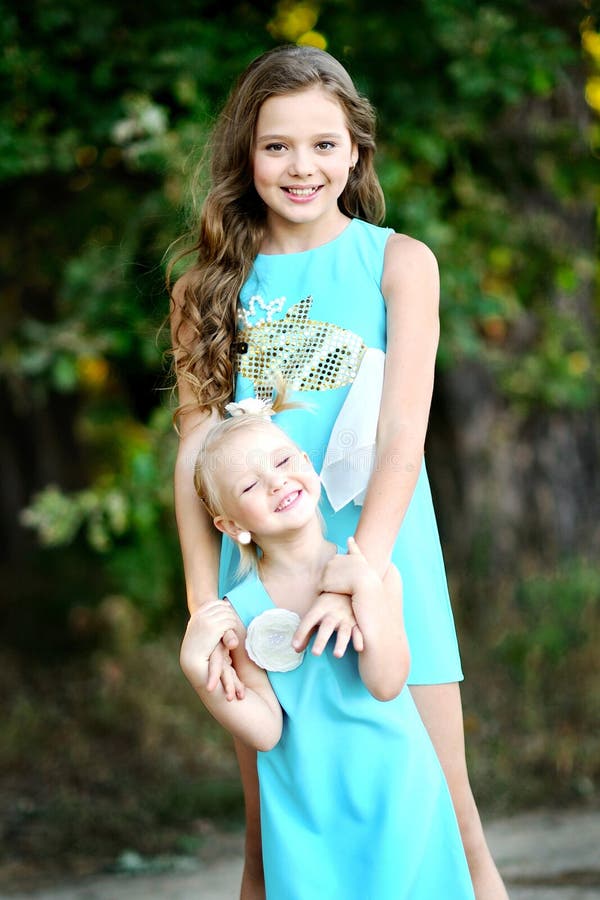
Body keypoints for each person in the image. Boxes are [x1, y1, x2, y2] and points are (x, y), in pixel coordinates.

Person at [168, 44, 508, 900]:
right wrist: (204, 602)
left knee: (454, 825)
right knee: (270, 844)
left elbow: (403, 431)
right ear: (247, 154)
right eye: (277, 144)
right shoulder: (209, 287)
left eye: (324, 144)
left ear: (356, 150)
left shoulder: (399, 262)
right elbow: (194, 455)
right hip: (270, 583)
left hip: (389, 564)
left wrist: (362, 568)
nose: (301, 166)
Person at [180, 402, 475, 899]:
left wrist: (365, 592)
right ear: (231, 527)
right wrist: (199, 675)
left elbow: (386, 683)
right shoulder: (241, 610)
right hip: (308, 810)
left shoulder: (370, 570)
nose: (275, 482)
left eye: (282, 461)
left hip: (394, 792)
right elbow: (268, 730)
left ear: (310, 467)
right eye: (250, 486)